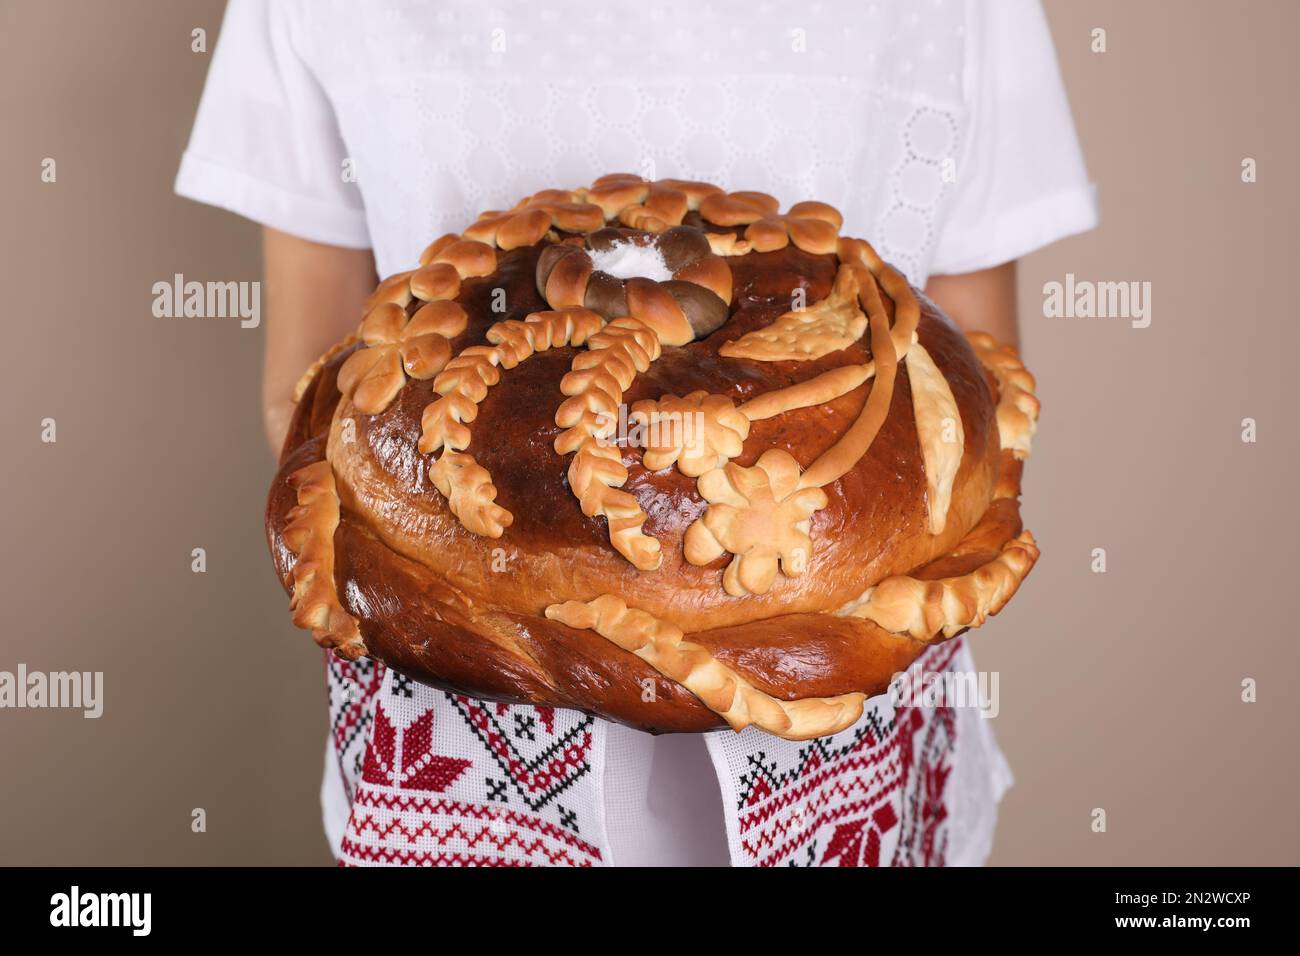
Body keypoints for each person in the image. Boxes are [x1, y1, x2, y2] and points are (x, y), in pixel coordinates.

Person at [177, 0, 1095, 866]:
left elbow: (969, 416)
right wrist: (507, 609)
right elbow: (316, 401)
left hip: (860, 780)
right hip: (451, 762)